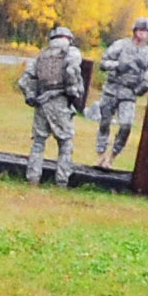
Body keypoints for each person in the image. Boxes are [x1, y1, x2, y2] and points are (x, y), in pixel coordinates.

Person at [92, 17, 148, 169]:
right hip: (112, 89)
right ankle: (101, 155)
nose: (143, 34)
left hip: (129, 93)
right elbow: (103, 62)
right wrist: (117, 65)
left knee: (126, 125)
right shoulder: (120, 45)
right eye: (141, 30)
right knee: (104, 123)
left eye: (146, 32)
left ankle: (112, 157)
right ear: (135, 31)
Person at [18, 25, 90, 185]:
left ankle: (33, 179)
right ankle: (62, 181)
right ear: (68, 39)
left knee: (38, 142)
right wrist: (73, 93)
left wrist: (31, 96)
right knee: (65, 142)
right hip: (59, 101)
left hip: (41, 103)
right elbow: (72, 72)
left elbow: (24, 80)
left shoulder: (42, 55)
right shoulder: (71, 52)